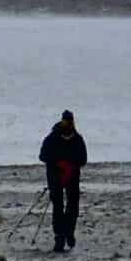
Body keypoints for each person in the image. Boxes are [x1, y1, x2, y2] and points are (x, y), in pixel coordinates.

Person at [39, 108, 88, 252]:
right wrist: (57, 163)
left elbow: (83, 159)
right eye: (66, 121)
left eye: (70, 121)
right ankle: (59, 237)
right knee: (58, 206)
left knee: (73, 205)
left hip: (72, 175)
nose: (68, 124)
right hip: (54, 175)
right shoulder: (52, 137)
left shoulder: (78, 139)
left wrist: (71, 165)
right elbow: (43, 156)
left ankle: (69, 232)